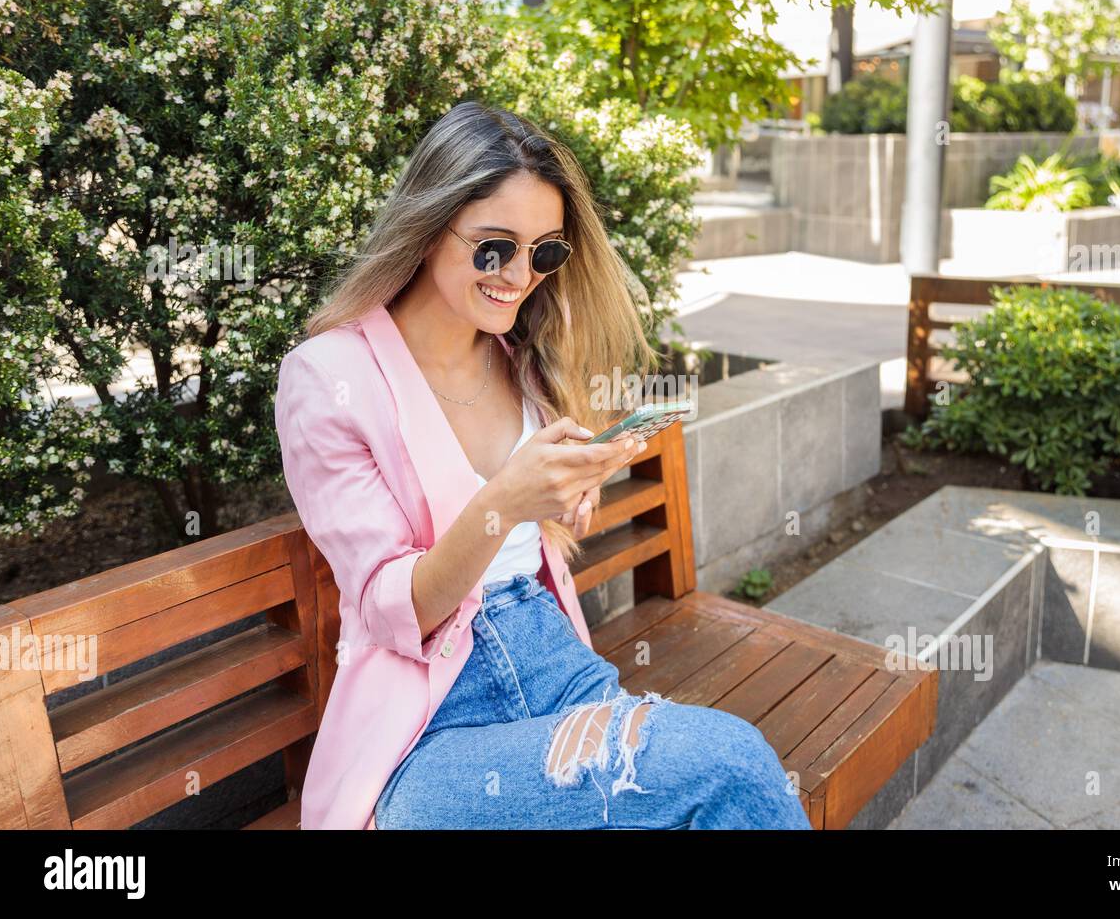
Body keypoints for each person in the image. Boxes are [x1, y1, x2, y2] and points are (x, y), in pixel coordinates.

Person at [273, 100, 812, 830]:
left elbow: (528, 540)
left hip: (556, 668)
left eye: (545, 252)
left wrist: (564, 491)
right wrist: (508, 500)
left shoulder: (520, 362)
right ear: (430, 226)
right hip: (427, 730)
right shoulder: (328, 375)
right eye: (495, 247)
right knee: (732, 764)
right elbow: (390, 610)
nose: (520, 275)